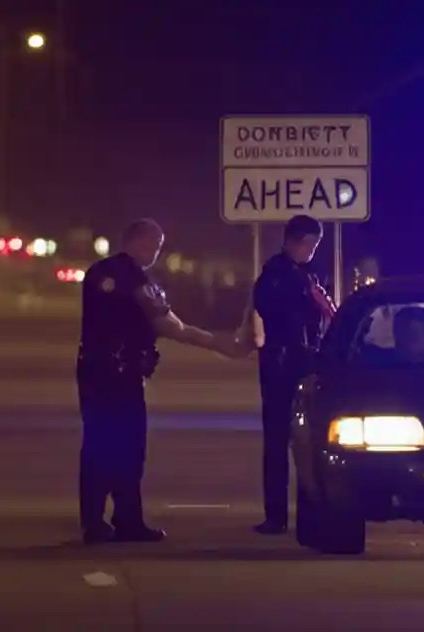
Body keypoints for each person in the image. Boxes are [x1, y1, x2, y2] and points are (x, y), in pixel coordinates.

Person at [76, 218, 249, 544]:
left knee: (107, 446)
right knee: (120, 447)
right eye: (156, 246)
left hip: (103, 372)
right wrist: (220, 344)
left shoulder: (105, 272)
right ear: (141, 242)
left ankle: (106, 521)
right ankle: (116, 522)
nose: (157, 252)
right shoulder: (132, 278)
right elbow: (171, 327)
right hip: (116, 374)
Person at [251, 214, 336, 535]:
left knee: (310, 444)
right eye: (308, 243)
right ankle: (275, 516)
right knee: (276, 443)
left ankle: (309, 514)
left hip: (307, 365)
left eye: (315, 244)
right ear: (291, 241)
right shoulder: (275, 274)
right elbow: (269, 308)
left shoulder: (313, 274)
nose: (311, 250)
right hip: (280, 365)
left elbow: (326, 314)